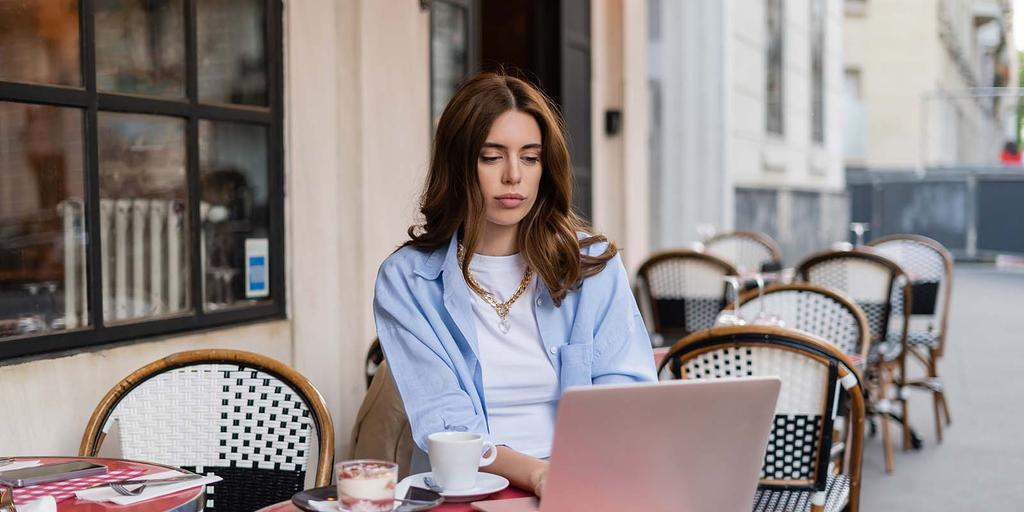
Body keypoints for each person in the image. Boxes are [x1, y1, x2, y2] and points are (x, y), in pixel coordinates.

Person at [373, 72, 656, 497]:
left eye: (530, 157)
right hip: (469, 488)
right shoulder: (407, 281)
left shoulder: (592, 268)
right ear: (459, 164)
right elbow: (448, 424)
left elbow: (627, 392)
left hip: (585, 481)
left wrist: (576, 477)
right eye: (491, 157)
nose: (513, 176)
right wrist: (542, 477)